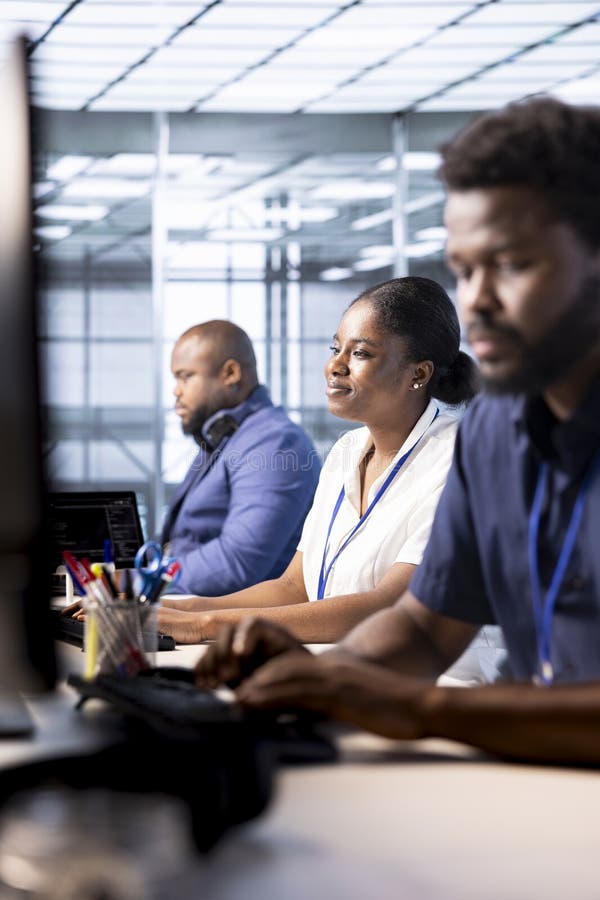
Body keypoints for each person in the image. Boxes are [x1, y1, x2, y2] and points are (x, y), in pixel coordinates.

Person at [195, 96, 600, 766]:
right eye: (464, 270)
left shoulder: (456, 441)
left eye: (512, 264)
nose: (477, 300)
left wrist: (419, 709)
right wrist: (320, 673)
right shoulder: (495, 432)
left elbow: (424, 677)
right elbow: (423, 626)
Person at [157, 276, 479, 643]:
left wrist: (203, 625)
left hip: (438, 673)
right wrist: (179, 608)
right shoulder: (346, 451)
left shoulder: (460, 459)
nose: (334, 366)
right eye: (335, 348)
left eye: (360, 353)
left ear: (418, 374)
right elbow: (295, 587)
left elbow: (391, 605)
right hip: (340, 662)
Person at [157, 320, 320, 596]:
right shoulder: (225, 439)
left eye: (186, 376)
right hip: (189, 604)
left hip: (226, 618)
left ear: (231, 373)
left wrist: (141, 582)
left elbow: (236, 562)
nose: (176, 391)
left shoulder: (275, 442)